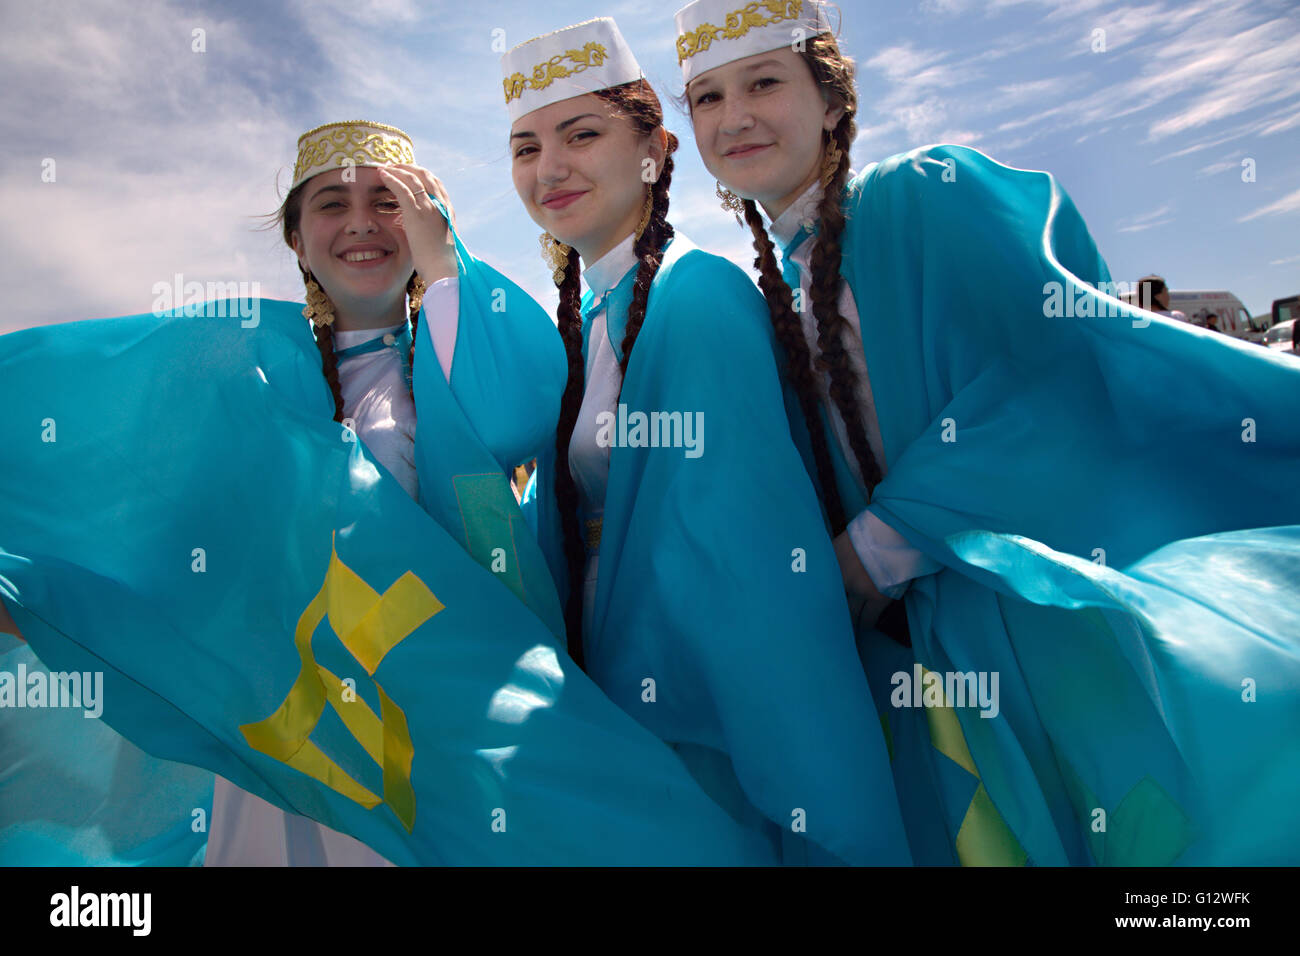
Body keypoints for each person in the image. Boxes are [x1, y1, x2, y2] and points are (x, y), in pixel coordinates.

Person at [675, 0, 1300, 865]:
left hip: (1036, 607)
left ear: (833, 102)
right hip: (938, 646)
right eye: (706, 98)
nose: (734, 115)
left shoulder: (927, 193)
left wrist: (880, 545)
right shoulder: (771, 280)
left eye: (764, 82)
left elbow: (1058, 366)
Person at [506, 17, 910, 864]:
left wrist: (809, 782)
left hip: (706, 741)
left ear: (654, 147)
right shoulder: (592, 317)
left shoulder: (698, 304)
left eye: (582, 135)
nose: (551, 169)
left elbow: (750, 578)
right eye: (526, 146)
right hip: (640, 712)